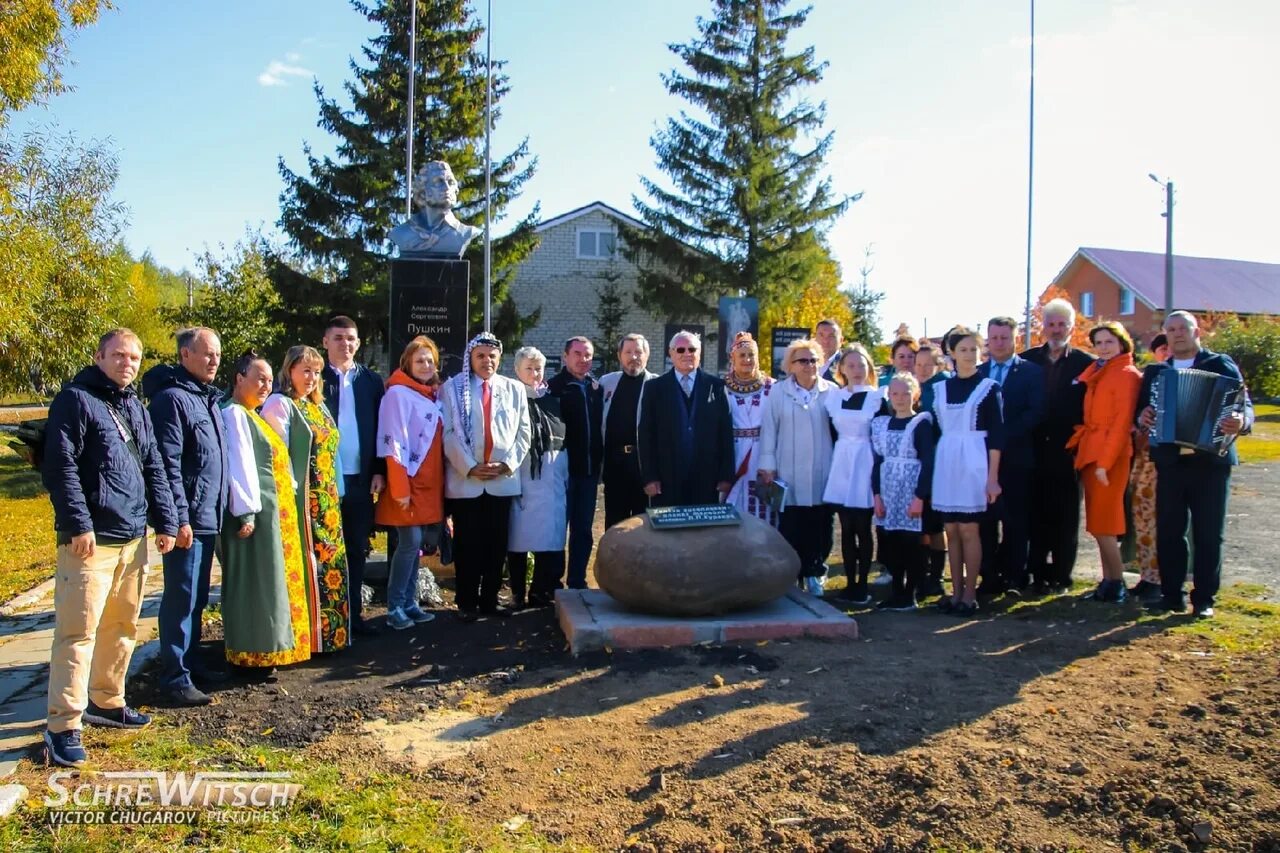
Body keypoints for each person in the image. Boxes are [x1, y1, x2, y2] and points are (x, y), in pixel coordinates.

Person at [41, 329, 179, 767]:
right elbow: (60, 466)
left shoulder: (134, 405)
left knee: (122, 625)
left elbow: (153, 464)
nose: (127, 363)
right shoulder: (75, 400)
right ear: (99, 355)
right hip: (91, 540)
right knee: (78, 632)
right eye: (118, 355)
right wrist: (77, 524)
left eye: (134, 357)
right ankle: (63, 725)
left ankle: (107, 700)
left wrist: (166, 520)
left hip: (133, 537)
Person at [1136, 311, 1253, 618]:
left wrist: (1240, 421)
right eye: (1171, 329)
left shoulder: (1220, 364)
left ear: (1196, 331)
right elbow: (1141, 413)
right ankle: (1171, 595)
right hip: (1171, 463)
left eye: (1182, 329)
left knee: (1208, 532)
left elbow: (1244, 406)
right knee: (1170, 530)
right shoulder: (1156, 373)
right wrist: (1143, 417)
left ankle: (1204, 600)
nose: (1177, 334)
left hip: (1210, 462)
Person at [143, 327, 228, 707]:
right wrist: (177, 516)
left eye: (217, 354)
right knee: (180, 596)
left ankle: (190, 663)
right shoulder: (172, 400)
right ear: (184, 356)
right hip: (186, 519)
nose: (213, 360)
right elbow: (167, 464)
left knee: (197, 598)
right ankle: (174, 676)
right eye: (206, 353)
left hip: (208, 516)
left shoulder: (207, 399)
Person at [219, 352, 312, 672]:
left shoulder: (253, 414)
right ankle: (252, 652)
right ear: (239, 378)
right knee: (256, 582)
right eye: (259, 378)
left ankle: (269, 648)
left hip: (273, 514)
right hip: (255, 517)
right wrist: (246, 512)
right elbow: (241, 465)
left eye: (270, 380)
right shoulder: (235, 415)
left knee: (269, 583)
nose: (265, 385)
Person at [262, 346, 351, 654]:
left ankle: (330, 637)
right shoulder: (280, 404)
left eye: (316, 372)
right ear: (290, 372)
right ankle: (304, 639)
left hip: (326, 501)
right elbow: (279, 456)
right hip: (300, 501)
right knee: (305, 566)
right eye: (306, 371)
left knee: (330, 567)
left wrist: (337, 492)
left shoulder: (318, 406)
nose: (312, 378)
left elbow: (333, 453)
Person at [441, 333, 531, 620]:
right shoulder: (453, 388)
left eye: (492, 356)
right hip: (466, 482)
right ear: (471, 358)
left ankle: (490, 600)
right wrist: (469, 466)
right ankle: (466, 602)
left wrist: (507, 464)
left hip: (501, 482)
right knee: (467, 545)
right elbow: (449, 434)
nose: (486, 361)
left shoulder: (514, 389)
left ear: (499, 358)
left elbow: (523, 433)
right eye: (480, 356)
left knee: (496, 545)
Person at [1066, 322, 1142, 603]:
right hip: (1092, 451)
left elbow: (1121, 424)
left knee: (1106, 523)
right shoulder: (1100, 372)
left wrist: (1104, 463)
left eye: (1109, 341)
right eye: (1099, 343)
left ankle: (1116, 582)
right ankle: (1109, 579)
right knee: (1098, 524)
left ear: (1122, 342)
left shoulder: (1126, 375)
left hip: (1108, 457)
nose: (1104, 347)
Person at [375, 336, 447, 630]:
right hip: (406, 482)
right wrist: (400, 489)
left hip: (429, 484)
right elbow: (393, 443)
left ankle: (409, 602)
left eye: (430, 360)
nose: (426, 365)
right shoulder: (397, 394)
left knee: (416, 547)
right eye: (420, 360)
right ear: (407, 363)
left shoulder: (433, 394)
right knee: (410, 543)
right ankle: (394, 606)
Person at [1023, 298, 1094, 593]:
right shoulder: (1027, 361)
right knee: (1036, 515)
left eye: (1062, 324)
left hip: (1069, 452)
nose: (1056, 329)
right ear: (1043, 327)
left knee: (1066, 518)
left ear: (1071, 327)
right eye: (1051, 324)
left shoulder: (1086, 364)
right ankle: (1037, 574)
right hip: (1034, 449)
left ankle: (1062, 577)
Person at [320, 316, 386, 637]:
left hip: (361, 480)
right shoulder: (314, 378)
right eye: (338, 338)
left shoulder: (371, 382)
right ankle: (327, 616)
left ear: (358, 344)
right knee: (327, 549)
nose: (345, 344)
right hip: (324, 482)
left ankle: (354, 615)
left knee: (357, 547)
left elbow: (382, 430)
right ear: (325, 342)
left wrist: (379, 471)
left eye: (350, 339)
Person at [932, 327, 1004, 616]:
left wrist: (992, 478)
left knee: (970, 529)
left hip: (974, 460)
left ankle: (970, 594)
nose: (969, 355)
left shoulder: (989, 388)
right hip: (948, 461)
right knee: (951, 529)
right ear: (951, 353)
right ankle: (956, 590)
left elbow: (997, 436)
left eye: (973, 349)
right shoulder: (939, 389)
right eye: (963, 349)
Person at [758, 339, 837, 595]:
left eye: (813, 360)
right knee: (792, 524)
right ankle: (793, 574)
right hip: (788, 470)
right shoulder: (779, 392)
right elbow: (769, 430)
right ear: (790, 365)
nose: (809, 365)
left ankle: (816, 572)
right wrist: (767, 465)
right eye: (802, 360)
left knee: (821, 523)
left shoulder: (831, 391)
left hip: (822, 469)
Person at [977, 316, 1044, 595]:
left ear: (1015, 339)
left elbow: (1036, 412)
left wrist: (1003, 437)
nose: (999, 343)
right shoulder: (977, 373)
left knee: (1016, 521)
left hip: (1017, 458)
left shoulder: (1031, 372)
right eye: (994, 338)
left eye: (1005, 337)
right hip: (980, 460)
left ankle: (1016, 577)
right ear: (988, 340)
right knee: (985, 523)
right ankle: (989, 577)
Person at [638, 330, 735, 507]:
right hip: (666, 480)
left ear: (700, 352)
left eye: (692, 349)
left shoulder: (717, 386)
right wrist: (650, 477)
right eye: (680, 350)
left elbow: (726, 434)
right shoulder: (654, 389)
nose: (687, 354)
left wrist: (725, 476)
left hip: (707, 480)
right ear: (671, 353)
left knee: (703, 533)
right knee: (669, 533)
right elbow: (646, 436)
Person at [823, 344, 889, 605]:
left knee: (863, 527)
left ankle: (862, 585)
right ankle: (850, 584)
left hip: (865, 462)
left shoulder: (877, 398)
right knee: (847, 528)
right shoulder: (834, 397)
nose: (857, 370)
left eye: (861, 365)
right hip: (842, 463)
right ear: (842, 370)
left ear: (869, 368)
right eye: (851, 365)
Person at [507, 346, 569, 608]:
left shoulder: (553, 400)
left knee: (548, 539)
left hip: (551, 480)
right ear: (517, 371)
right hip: (522, 478)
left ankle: (541, 591)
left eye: (538, 368)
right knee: (518, 541)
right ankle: (517, 593)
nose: (534, 373)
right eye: (529, 369)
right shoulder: (509, 400)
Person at [871, 373, 936, 610]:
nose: (899, 398)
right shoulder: (881, 425)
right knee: (892, 544)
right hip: (889, 491)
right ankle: (896, 591)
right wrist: (876, 495)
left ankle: (910, 594)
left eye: (905, 393)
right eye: (895, 393)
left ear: (915, 394)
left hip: (911, 490)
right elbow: (877, 462)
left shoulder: (921, 423)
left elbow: (928, 461)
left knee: (912, 545)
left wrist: (920, 497)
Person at [546, 336, 603, 590]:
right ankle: (553, 582)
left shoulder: (595, 387)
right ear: (566, 356)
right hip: (562, 473)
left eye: (588, 355)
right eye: (578, 354)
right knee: (559, 529)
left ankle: (577, 580)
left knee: (583, 530)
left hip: (589, 474)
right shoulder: (553, 388)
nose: (583, 360)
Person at [1128, 333, 1169, 603]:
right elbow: (1137, 409)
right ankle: (1147, 576)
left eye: (1169, 348)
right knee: (1142, 515)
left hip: (1173, 460)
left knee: (1163, 519)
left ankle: (1163, 579)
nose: (1166, 353)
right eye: (1161, 349)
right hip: (1146, 454)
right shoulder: (1153, 374)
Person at [600, 334, 656, 527]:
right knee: (614, 524)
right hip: (614, 467)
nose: (634, 357)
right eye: (628, 352)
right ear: (619, 355)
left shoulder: (657, 385)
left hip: (644, 468)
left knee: (644, 525)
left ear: (647, 355)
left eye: (639, 352)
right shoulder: (606, 383)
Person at [723, 332, 776, 524]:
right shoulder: (721, 388)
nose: (747, 359)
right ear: (733, 359)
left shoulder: (773, 387)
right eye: (742, 355)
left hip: (763, 452)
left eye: (751, 355)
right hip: (733, 452)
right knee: (732, 503)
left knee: (763, 507)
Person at [913, 341, 950, 596]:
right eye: (919, 365)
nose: (923, 369)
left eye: (928, 365)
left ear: (939, 365)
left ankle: (936, 577)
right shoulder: (915, 387)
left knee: (936, 526)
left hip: (939, 463)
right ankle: (923, 574)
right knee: (922, 524)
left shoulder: (944, 387)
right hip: (917, 465)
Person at [389, 160, 483, 258]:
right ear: (423, 192)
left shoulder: (464, 233)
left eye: (450, 182)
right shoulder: (401, 233)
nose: (447, 188)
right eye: (439, 182)